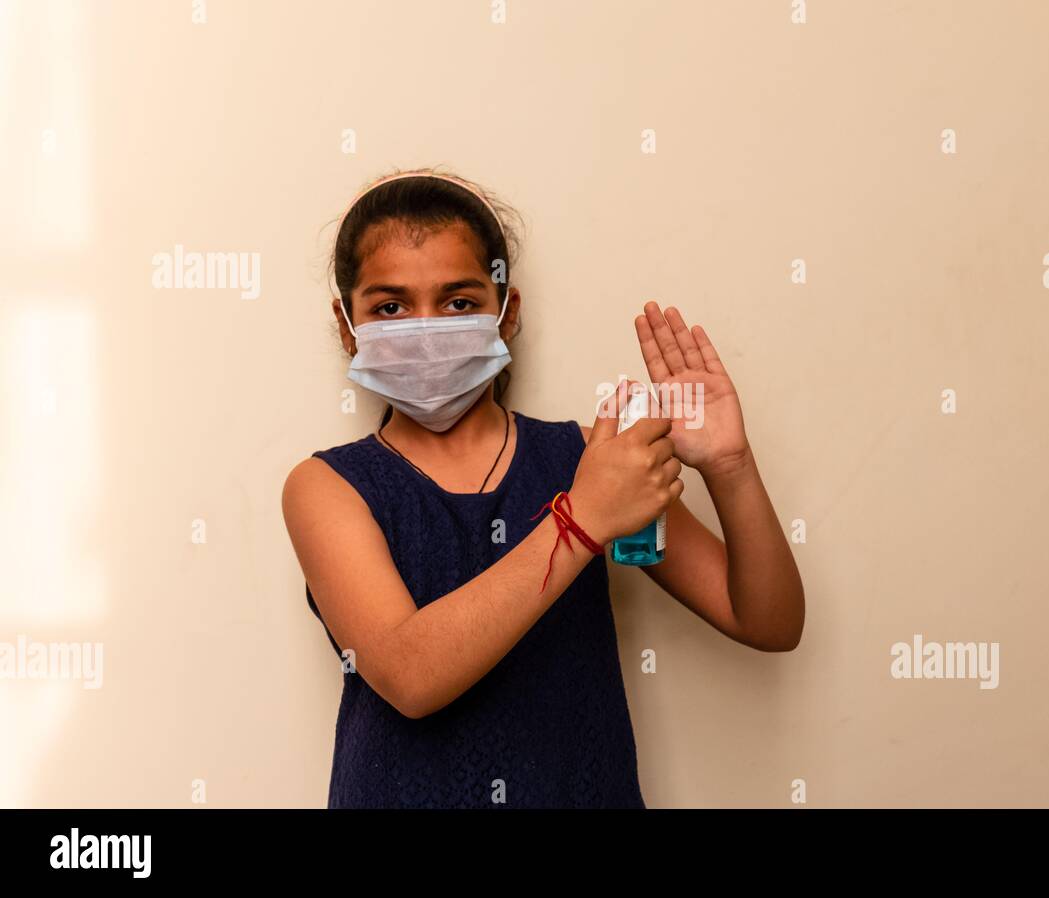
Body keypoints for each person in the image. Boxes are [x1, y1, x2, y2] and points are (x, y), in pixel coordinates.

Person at [281, 168, 804, 808]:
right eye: (390, 307)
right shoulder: (327, 486)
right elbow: (410, 676)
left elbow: (769, 621)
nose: (424, 329)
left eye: (459, 302)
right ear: (347, 324)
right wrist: (581, 521)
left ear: (507, 314)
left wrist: (731, 466)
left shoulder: (593, 459)